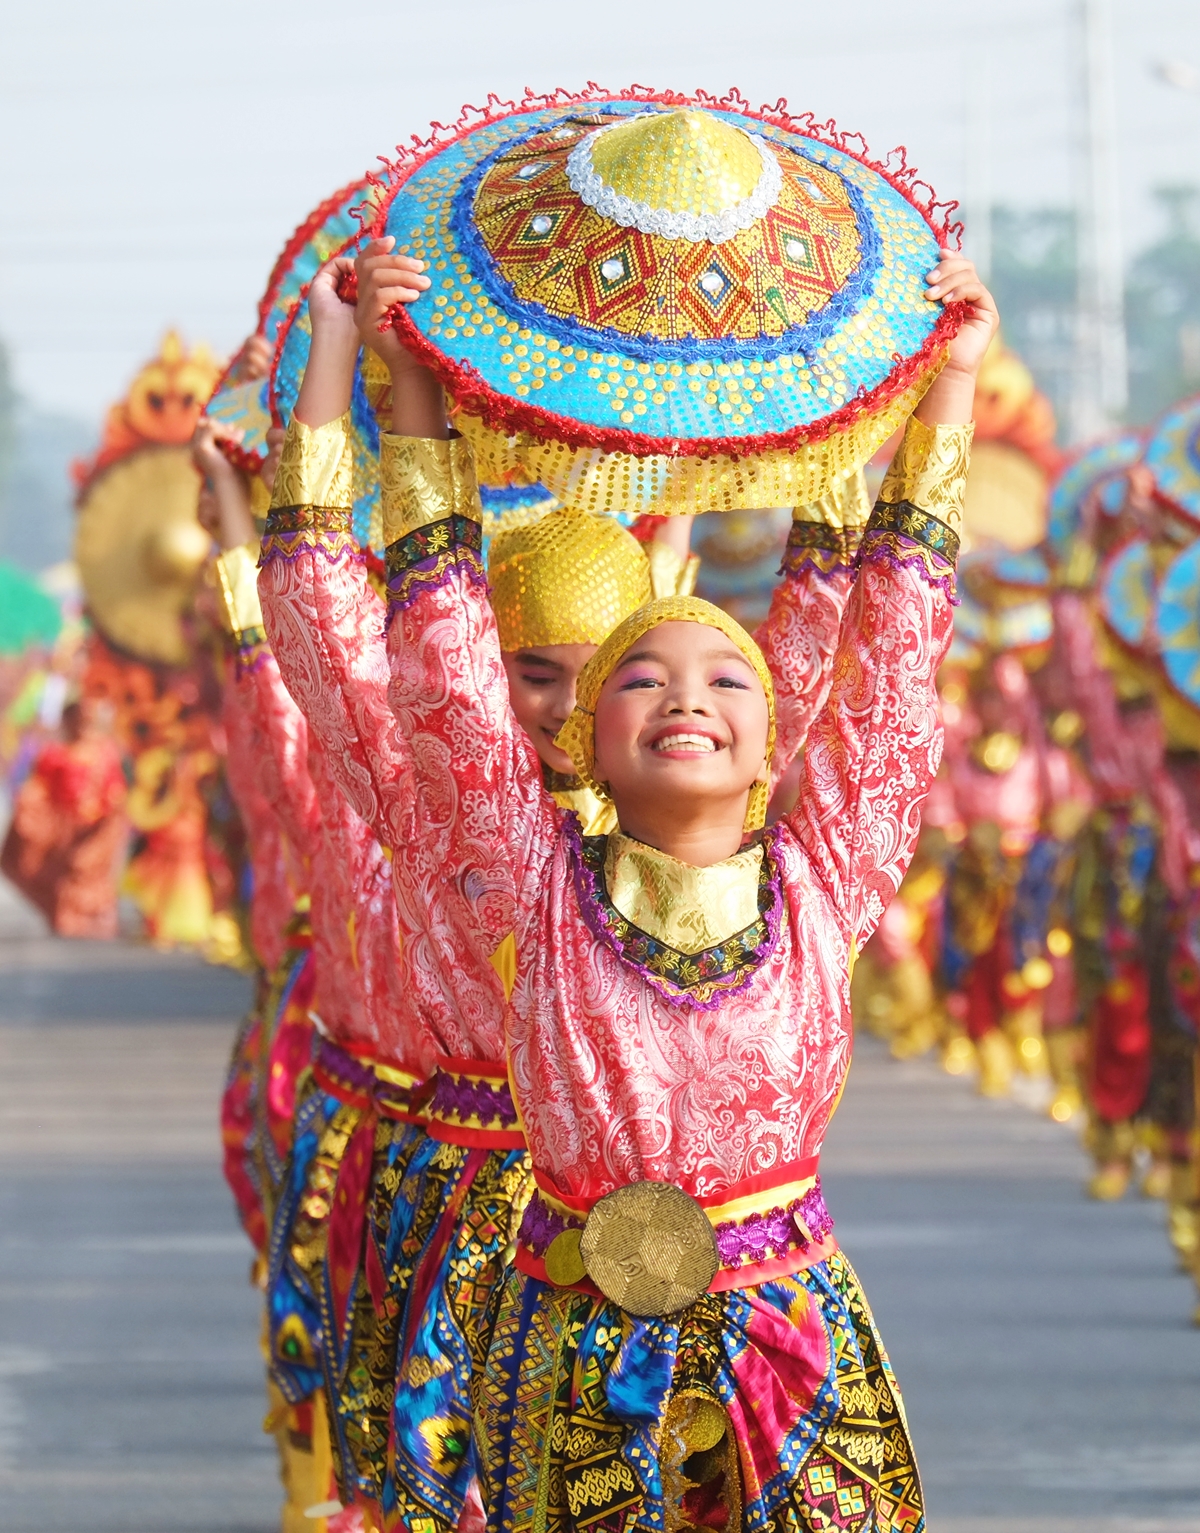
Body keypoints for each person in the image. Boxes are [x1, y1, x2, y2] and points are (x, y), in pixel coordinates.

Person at [329, 233, 994, 1532]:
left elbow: (894, 652)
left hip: (788, 1335)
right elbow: (450, 671)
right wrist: (412, 388)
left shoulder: (824, 880)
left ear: (771, 738)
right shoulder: (527, 885)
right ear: (587, 735)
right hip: (574, 1346)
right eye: (643, 676)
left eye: (726, 678)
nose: (688, 696)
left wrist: (949, 387)